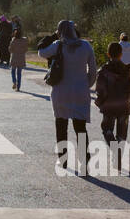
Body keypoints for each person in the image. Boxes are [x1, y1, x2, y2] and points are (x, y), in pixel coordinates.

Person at [37, 21, 97, 174]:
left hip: (61, 92)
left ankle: (63, 160)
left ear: (60, 31)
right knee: (80, 128)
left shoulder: (58, 45)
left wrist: (53, 37)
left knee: (61, 126)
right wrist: (86, 84)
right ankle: (84, 161)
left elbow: (41, 52)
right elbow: (93, 70)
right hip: (80, 92)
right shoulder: (85, 46)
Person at [95, 41, 130, 167]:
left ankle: (114, 149)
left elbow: (100, 89)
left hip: (109, 105)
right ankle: (118, 159)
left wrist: (100, 102)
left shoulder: (103, 71)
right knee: (122, 133)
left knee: (106, 129)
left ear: (108, 54)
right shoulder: (128, 70)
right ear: (121, 54)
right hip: (124, 105)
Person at [8, 26, 29, 91]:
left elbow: (10, 49)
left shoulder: (13, 40)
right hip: (21, 58)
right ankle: (18, 87)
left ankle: (14, 82)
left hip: (14, 57)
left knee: (13, 71)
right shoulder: (25, 40)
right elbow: (26, 49)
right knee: (19, 73)